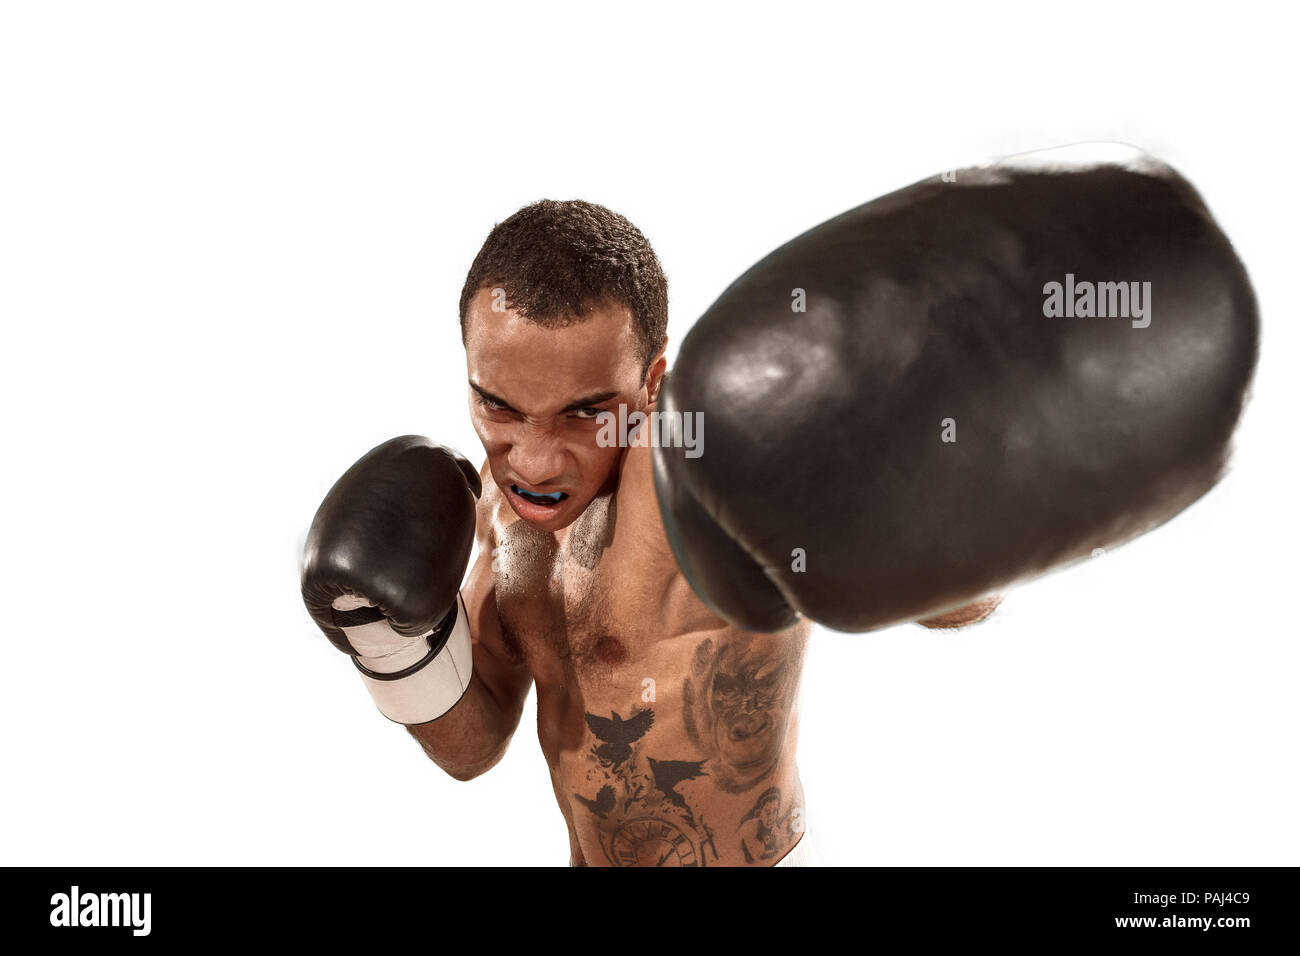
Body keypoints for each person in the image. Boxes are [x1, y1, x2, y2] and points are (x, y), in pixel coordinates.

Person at [302, 145, 1257, 866]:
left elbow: (949, 599)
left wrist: (969, 498)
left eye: (586, 412)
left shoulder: (703, 468)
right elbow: (474, 745)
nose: (535, 457)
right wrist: (394, 649)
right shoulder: (505, 517)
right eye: (497, 406)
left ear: (654, 382)